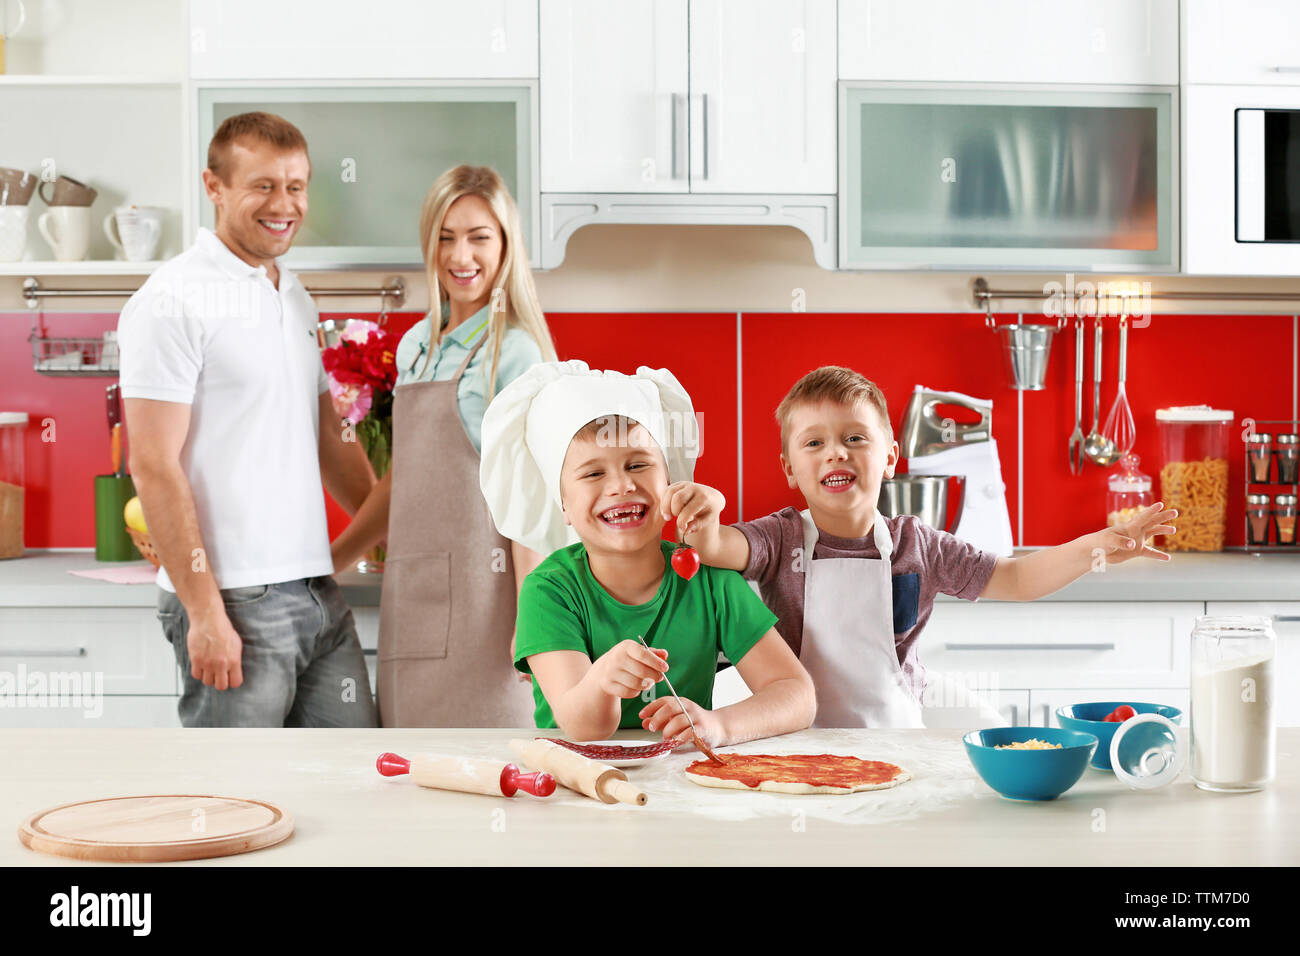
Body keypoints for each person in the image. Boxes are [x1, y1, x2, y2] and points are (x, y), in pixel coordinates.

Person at [668, 365, 1177, 728]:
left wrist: (1094, 547)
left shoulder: (918, 544)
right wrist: (705, 508)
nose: (836, 452)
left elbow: (1017, 579)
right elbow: (716, 548)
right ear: (790, 468)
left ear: (890, 457)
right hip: (795, 743)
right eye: (814, 443)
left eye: (855, 438)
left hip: (897, 742)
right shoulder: (778, 537)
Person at [119, 112, 378, 727]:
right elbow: (152, 464)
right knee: (237, 799)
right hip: (233, 597)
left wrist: (396, 539)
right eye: (263, 185)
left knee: (357, 785)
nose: (284, 204)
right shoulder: (172, 299)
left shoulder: (293, 293)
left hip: (316, 590)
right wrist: (204, 610)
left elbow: (329, 438)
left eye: (296, 185)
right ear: (215, 186)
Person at [478, 362, 816, 746]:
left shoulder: (710, 578)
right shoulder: (549, 591)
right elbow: (585, 727)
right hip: (577, 788)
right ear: (563, 505)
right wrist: (602, 682)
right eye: (592, 474)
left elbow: (797, 695)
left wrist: (718, 725)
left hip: (687, 784)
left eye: (638, 464)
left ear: (670, 480)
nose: (621, 485)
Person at [331, 165, 556, 727]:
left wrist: (535, 618)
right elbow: (402, 481)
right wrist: (329, 561)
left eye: (480, 237)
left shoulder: (516, 353)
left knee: (490, 774)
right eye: (446, 237)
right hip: (412, 602)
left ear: (505, 246)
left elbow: (531, 499)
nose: (462, 256)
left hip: (490, 609)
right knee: (409, 781)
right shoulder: (415, 347)